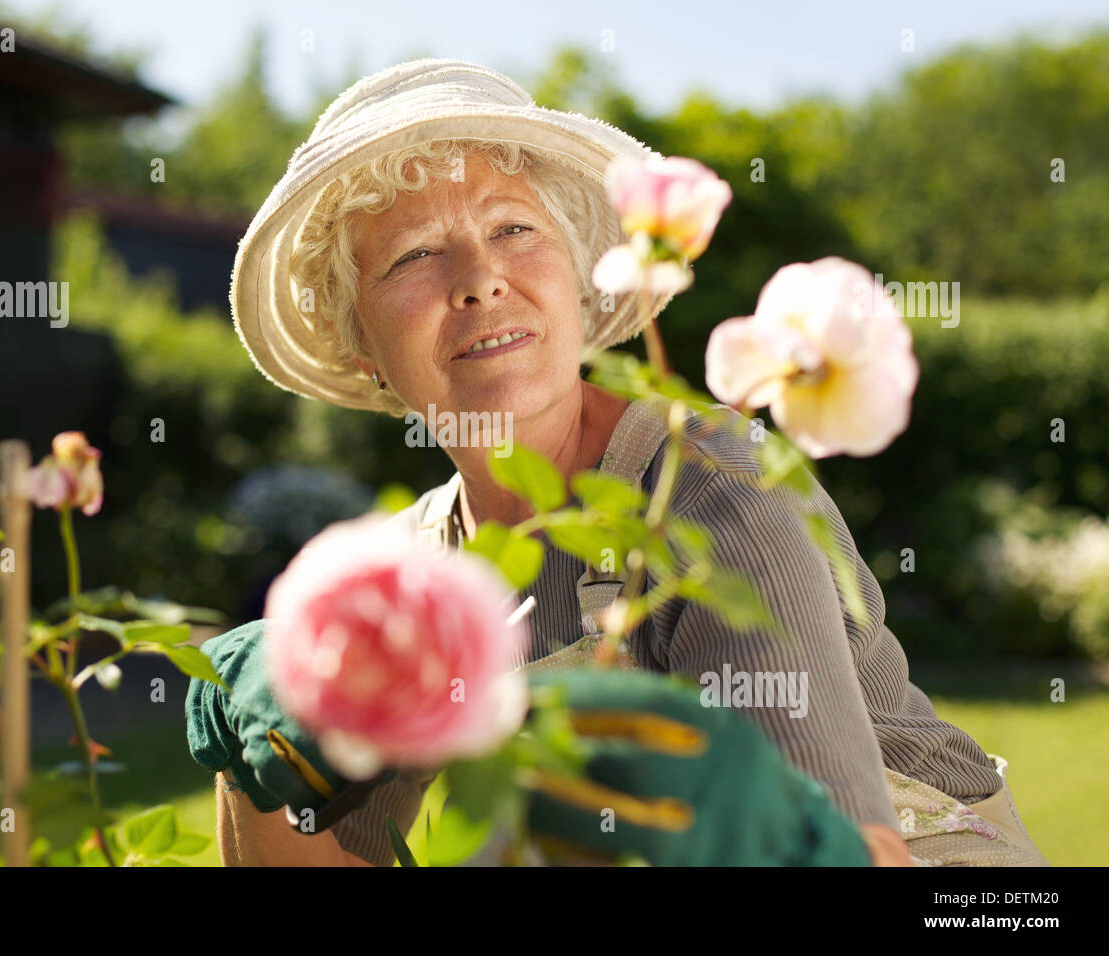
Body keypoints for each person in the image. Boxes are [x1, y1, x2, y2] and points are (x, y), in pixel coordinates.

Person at [200, 57, 1047, 867]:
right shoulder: (412, 577)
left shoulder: (710, 482)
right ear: (362, 350)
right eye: (414, 254)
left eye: (514, 227)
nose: (479, 278)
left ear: (576, 273)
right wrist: (253, 765)